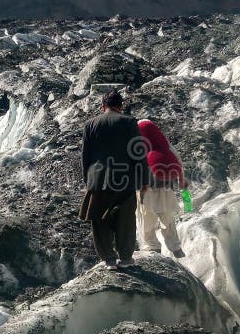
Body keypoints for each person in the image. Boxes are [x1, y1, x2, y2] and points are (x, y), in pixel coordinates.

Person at [78, 90, 149, 270]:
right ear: (120, 106)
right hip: (124, 179)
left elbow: (85, 156)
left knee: (100, 220)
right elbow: (138, 153)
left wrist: (88, 179)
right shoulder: (128, 122)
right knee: (125, 219)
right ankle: (125, 258)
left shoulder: (90, 124)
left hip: (98, 179)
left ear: (103, 106)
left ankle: (109, 259)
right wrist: (144, 179)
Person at [136, 119, 187, 258]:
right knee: (167, 217)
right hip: (166, 188)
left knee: (146, 219)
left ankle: (153, 247)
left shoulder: (138, 145)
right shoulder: (164, 143)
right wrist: (181, 180)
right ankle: (175, 247)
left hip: (146, 189)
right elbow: (178, 160)